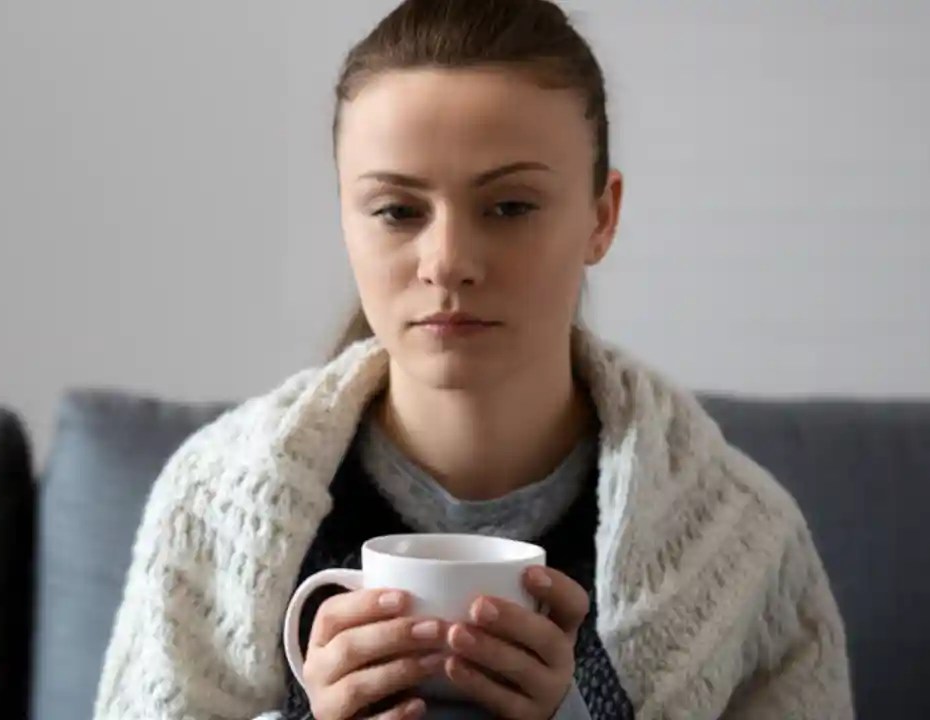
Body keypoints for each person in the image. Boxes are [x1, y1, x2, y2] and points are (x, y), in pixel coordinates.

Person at [95, 0, 853, 718]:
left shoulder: (747, 546)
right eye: (398, 210)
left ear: (602, 216)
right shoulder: (210, 508)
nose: (449, 261)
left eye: (510, 206)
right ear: (345, 220)